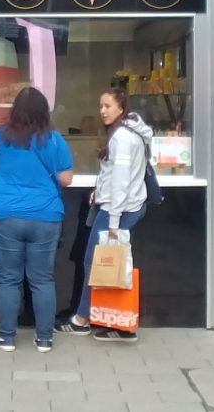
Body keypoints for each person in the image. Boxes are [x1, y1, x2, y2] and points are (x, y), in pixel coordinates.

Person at [0, 87, 73, 353]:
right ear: (44, 111)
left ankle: (6, 338)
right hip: (45, 215)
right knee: (42, 279)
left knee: (8, 279)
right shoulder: (54, 140)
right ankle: (44, 339)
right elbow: (66, 179)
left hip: (6, 214)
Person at [56, 88, 149, 342]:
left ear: (121, 108)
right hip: (123, 205)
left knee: (95, 263)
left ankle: (82, 319)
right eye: (101, 106)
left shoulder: (121, 138)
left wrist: (113, 221)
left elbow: (121, 181)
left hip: (117, 210)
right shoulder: (130, 132)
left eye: (108, 106)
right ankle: (118, 323)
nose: (102, 111)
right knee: (114, 264)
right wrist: (100, 191)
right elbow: (119, 176)